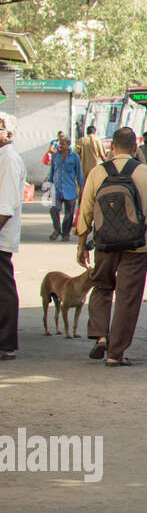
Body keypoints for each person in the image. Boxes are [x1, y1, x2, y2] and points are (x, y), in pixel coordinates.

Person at [75, 127, 147, 367]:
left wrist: (82, 245)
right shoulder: (146, 173)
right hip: (136, 246)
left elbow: (85, 211)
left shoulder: (97, 173)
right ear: (135, 148)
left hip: (104, 244)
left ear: (111, 148)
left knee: (102, 286)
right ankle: (115, 354)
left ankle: (101, 335)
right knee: (128, 297)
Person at [0, 114, 27, 361]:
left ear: (8, 134)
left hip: (1, 237)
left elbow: (6, 207)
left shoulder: (8, 159)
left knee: (4, 290)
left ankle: (6, 343)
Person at [47, 135, 83, 241]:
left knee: (69, 213)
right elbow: (51, 173)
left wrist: (81, 189)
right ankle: (57, 230)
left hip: (70, 189)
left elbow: (79, 174)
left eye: (62, 144)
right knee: (54, 209)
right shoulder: (55, 156)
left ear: (68, 144)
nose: (60, 146)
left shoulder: (75, 157)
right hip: (56, 189)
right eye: (59, 143)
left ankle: (65, 233)